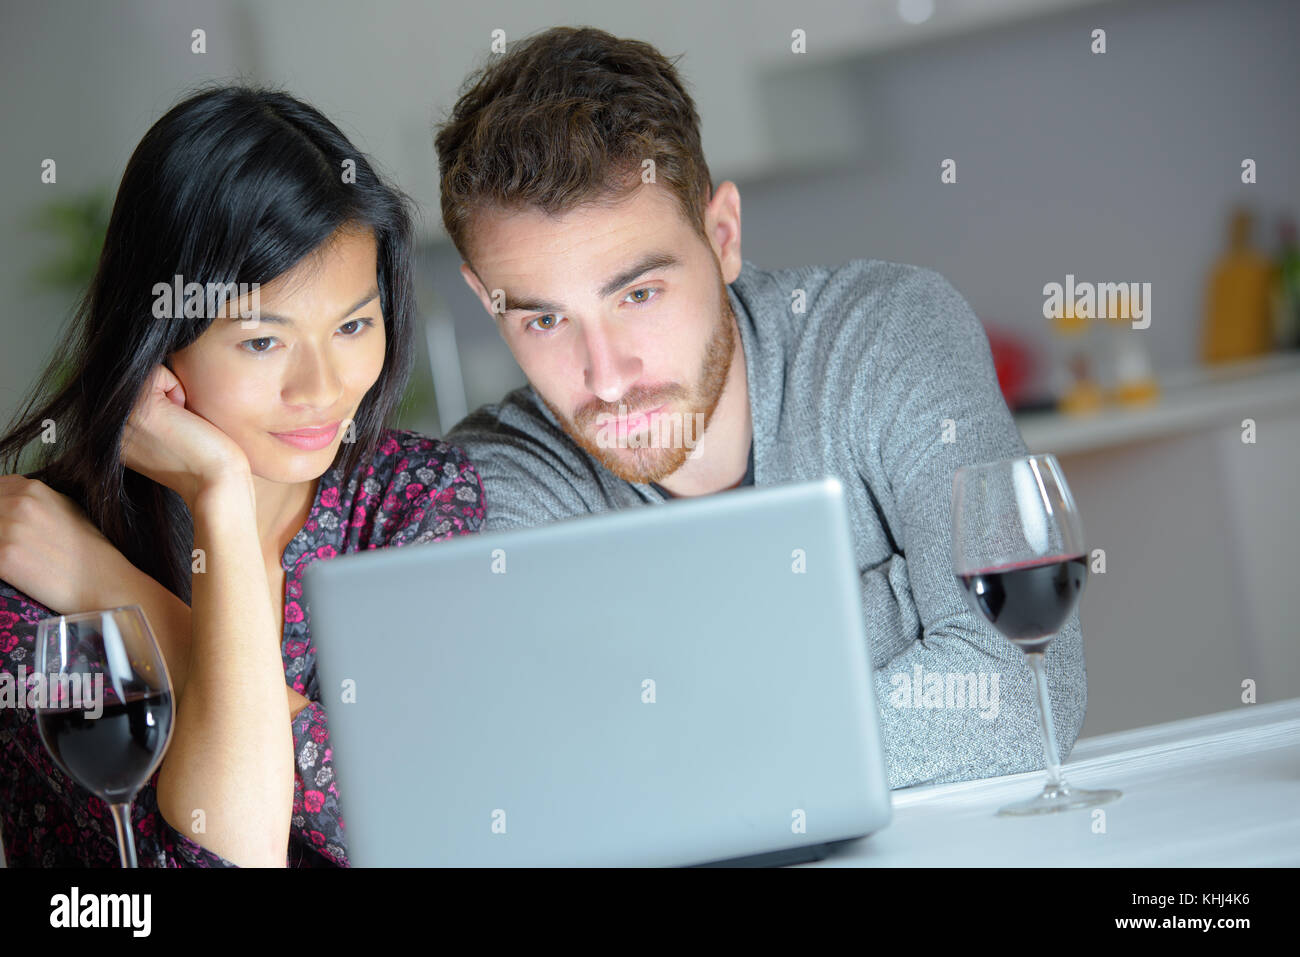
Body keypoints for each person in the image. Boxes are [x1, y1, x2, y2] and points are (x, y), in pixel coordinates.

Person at [437, 26, 1086, 790]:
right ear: (488, 303)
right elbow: (540, 770)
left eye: (638, 294)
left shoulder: (889, 334)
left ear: (723, 236)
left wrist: (678, 738)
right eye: (543, 320)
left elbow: (1016, 688)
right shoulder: (499, 479)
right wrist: (888, 628)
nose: (607, 377)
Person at [0, 86, 485, 867]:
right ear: (160, 337)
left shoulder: (414, 502)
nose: (322, 387)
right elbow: (230, 850)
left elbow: (446, 811)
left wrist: (112, 593)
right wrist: (220, 499)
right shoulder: (25, 566)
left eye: (354, 325)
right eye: (264, 342)